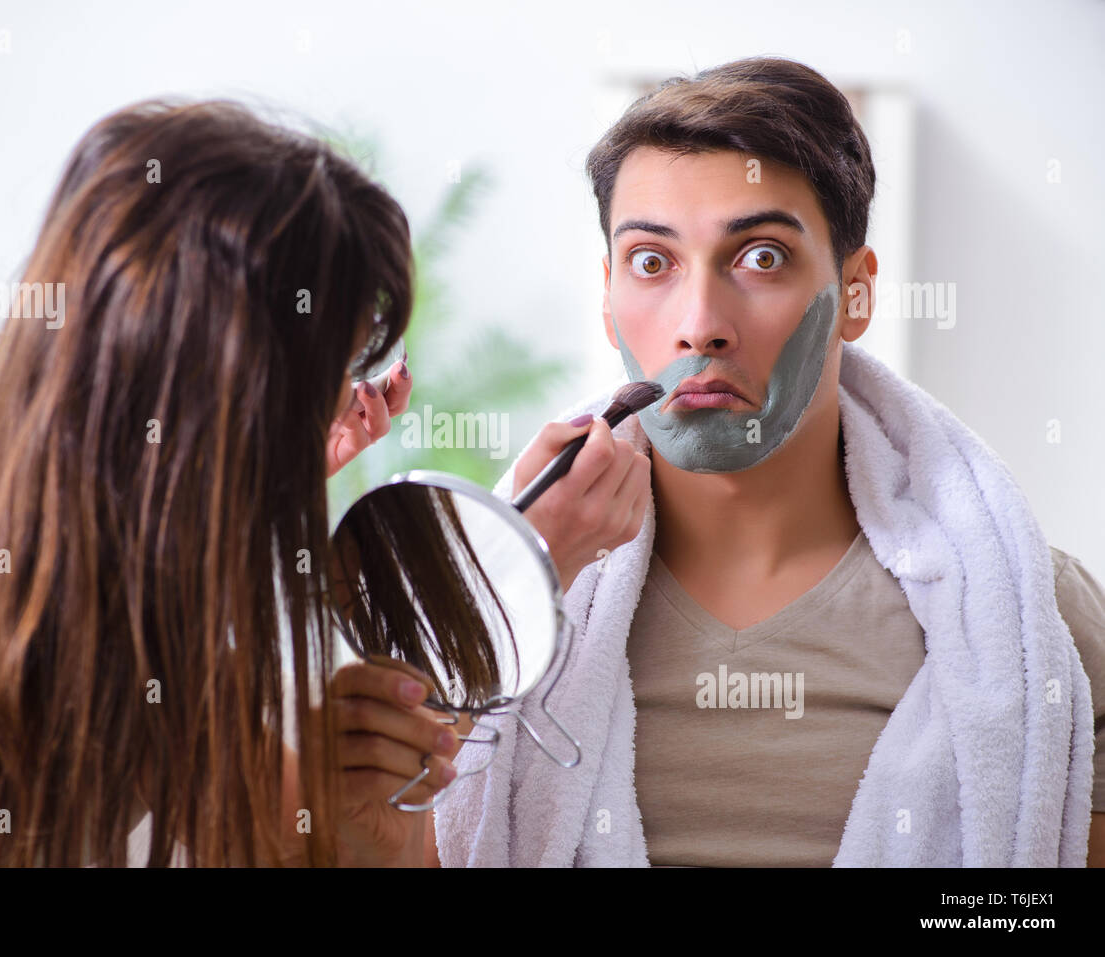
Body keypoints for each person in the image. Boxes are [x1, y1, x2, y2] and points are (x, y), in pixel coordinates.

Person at [428, 57, 1105, 867]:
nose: (700, 324)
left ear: (856, 292)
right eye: (652, 261)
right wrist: (512, 583)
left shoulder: (1037, 620)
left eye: (761, 257)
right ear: (607, 291)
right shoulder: (481, 601)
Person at [0, 97, 464, 866]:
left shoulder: (16, 387)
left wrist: (255, 478)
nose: (341, 399)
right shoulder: (48, 564)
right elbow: (240, 804)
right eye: (325, 376)